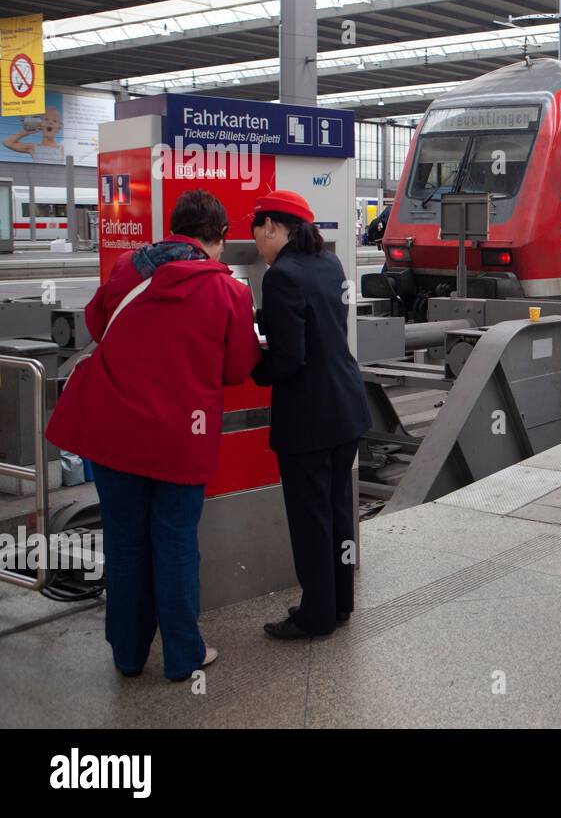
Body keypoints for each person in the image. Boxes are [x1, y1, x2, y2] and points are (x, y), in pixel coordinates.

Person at [45, 190, 261, 680]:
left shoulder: (130, 268)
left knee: (123, 543)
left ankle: (127, 654)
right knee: (176, 543)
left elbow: (98, 324)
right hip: (180, 440)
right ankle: (184, 657)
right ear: (220, 237)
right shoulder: (230, 291)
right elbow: (238, 366)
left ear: (175, 228)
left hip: (115, 434)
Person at [249, 191, 369, 640]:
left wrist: (251, 366)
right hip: (346, 409)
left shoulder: (281, 275)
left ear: (272, 228)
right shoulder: (328, 265)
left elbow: (289, 359)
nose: (258, 245)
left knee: (310, 519)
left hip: (309, 419)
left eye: (257, 234)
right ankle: (339, 604)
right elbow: (315, 320)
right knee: (337, 512)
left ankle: (315, 616)